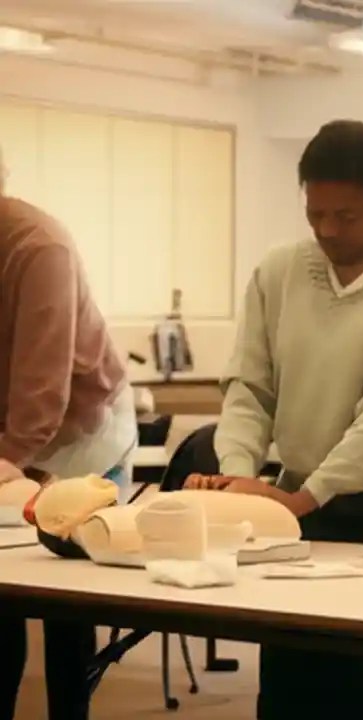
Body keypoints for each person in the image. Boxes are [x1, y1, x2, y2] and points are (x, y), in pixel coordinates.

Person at [185, 120, 363, 719]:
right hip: (298, 500)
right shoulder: (278, 272)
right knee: (301, 676)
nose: (327, 231)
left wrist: (303, 497)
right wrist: (237, 481)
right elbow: (250, 385)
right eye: (315, 213)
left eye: (347, 216)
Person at [0, 146, 137, 720]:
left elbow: (43, 392)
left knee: (65, 602)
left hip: (82, 430)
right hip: (15, 430)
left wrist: (5, 462)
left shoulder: (40, 248)